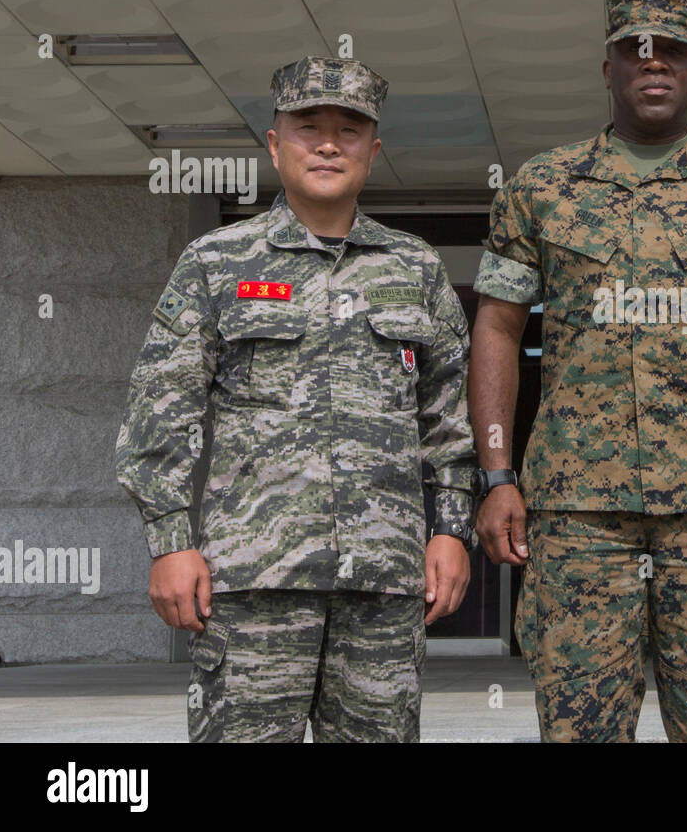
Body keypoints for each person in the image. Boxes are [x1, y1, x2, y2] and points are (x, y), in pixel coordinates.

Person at [469, 0, 687, 742]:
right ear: (608, 69)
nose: (652, 63)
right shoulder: (542, 188)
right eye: (634, 49)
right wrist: (497, 475)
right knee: (581, 731)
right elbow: (496, 330)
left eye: (673, 50)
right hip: (577, 514)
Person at [115, 56, 477, 742]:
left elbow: (447, 420)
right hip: (254, 582)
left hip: (382, 582)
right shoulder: (215, 263)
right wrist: (168, 540)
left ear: (375, 151)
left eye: (350, 129)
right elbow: (161, 407)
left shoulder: (416, 268)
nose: (330, 143)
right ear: (276, 145)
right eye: (309, 127)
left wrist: (450, 531)